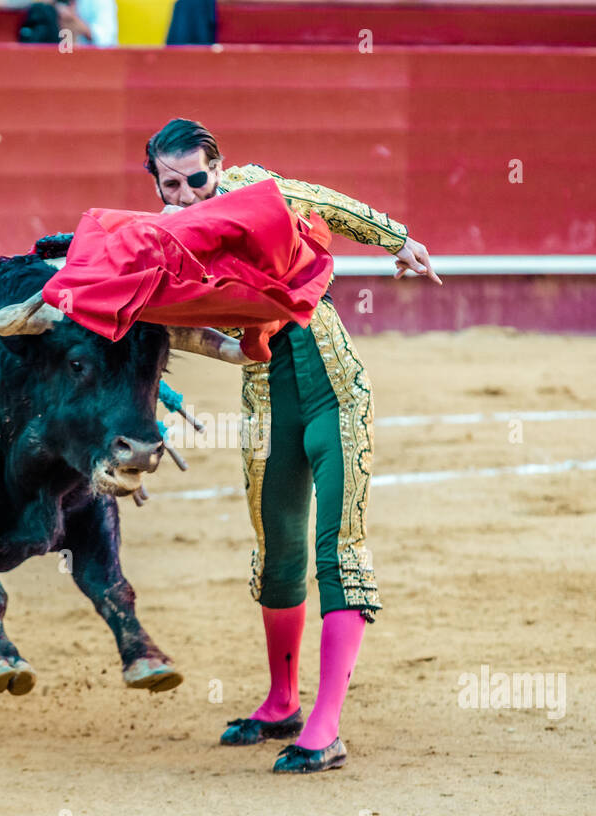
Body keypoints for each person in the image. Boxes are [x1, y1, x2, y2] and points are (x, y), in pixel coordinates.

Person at [144, 118, 440, 773]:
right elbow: (171, 325)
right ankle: (282, 702)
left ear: (217, 164)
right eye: (174, 183)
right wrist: (232, 345)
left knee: (340, 548)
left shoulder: (255, 189)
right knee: (277, 553)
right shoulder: (165, 243)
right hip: (265, 406)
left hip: (336, 394)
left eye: (199, 176)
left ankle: (326, 727)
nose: (191, 192)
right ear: (158, 185)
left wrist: (399, 240)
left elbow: (330, 204)